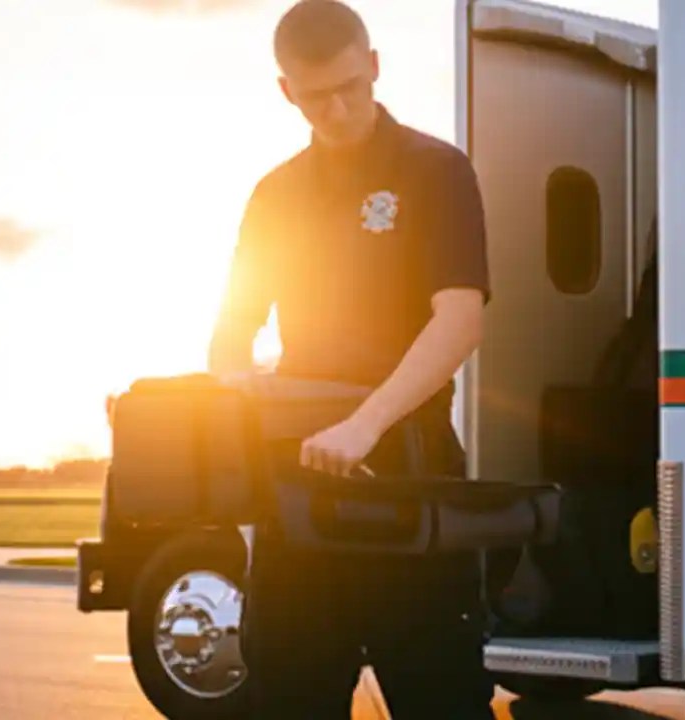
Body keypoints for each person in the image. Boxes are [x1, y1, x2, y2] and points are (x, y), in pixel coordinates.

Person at [206, 1, 494, 717]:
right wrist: (232, 398)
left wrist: (365, 425)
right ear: (286, 92)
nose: (335, 108)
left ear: (373, 66)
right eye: (314, 96)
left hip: (409, 477)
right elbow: (231, 330)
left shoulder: (436, 170)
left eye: (348, 87)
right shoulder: (274, 195)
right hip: (299, 495)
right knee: (290, 695)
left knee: (439, 698)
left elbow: (459, 320)